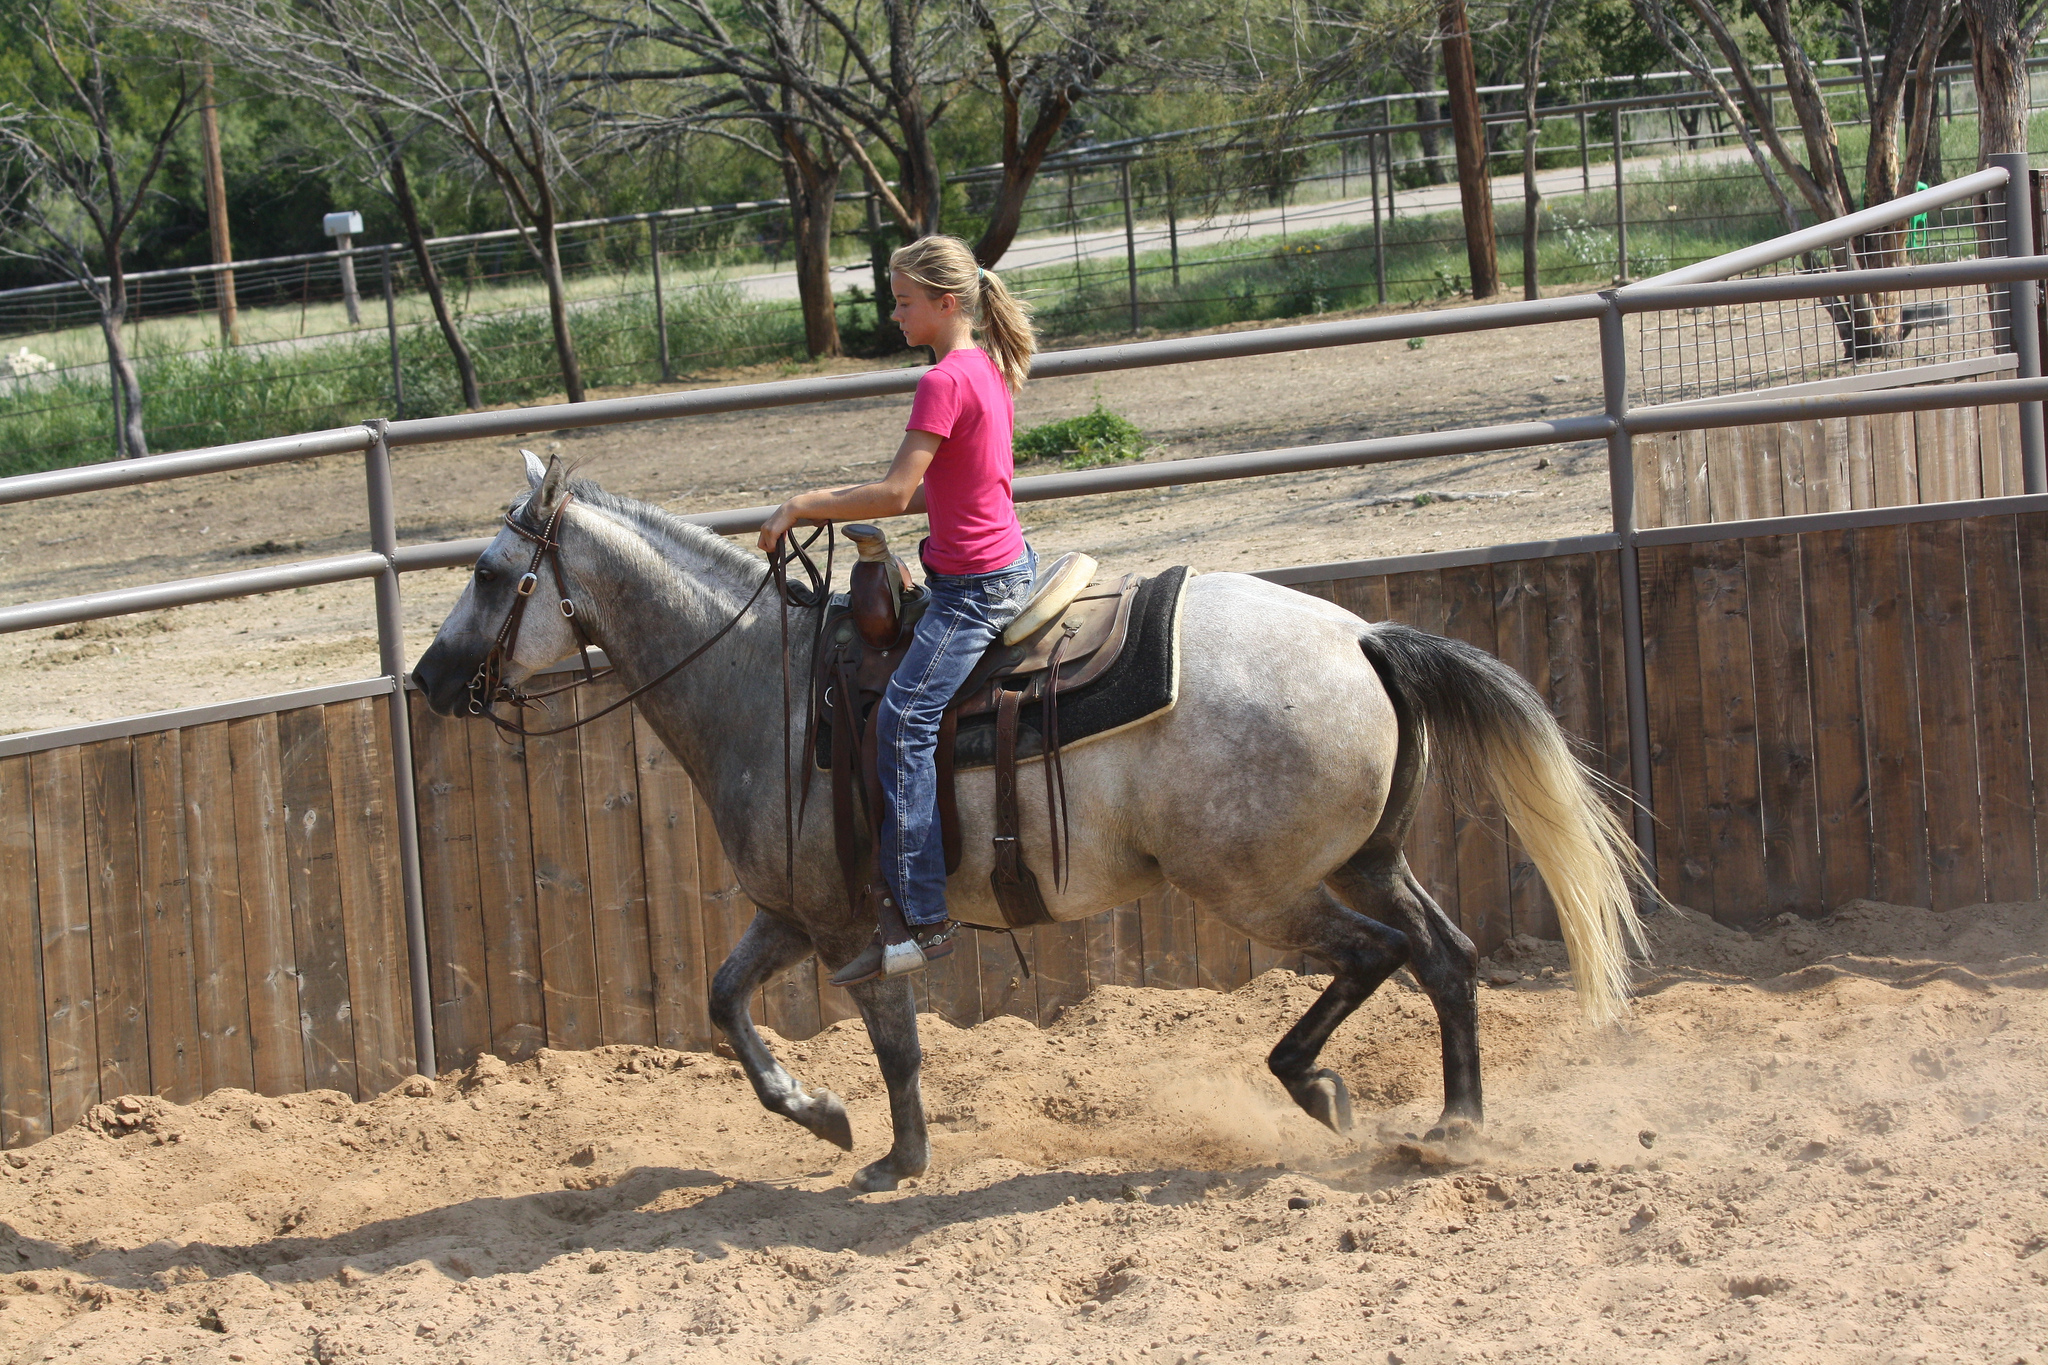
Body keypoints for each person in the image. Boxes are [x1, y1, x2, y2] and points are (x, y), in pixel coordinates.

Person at [757, 235, 1039, 986]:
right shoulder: (986, 366)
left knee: (902, 720)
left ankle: (922, 916)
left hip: (974, 589)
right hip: (996, 563)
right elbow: (952, 491)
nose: (895, 313)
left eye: (905, 301)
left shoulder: (943, 380)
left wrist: (801, 504)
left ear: (945, 304)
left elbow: (895, 492)